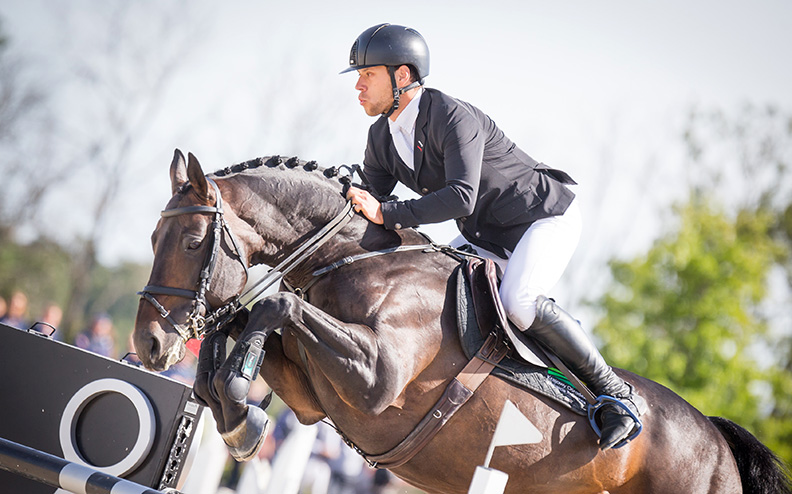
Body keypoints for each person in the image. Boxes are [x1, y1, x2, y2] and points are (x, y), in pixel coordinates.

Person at [341, 23, 646, 451]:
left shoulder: (451, 115)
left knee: (519, 301)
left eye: (367, 75)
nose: (357, 86)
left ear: (403, 76)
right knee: (434, 288)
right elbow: (370, 201)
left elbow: (461, 197)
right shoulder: (382, 137)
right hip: (488, 237)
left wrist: (387, 213)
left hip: (541, 218)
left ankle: (616, 393)